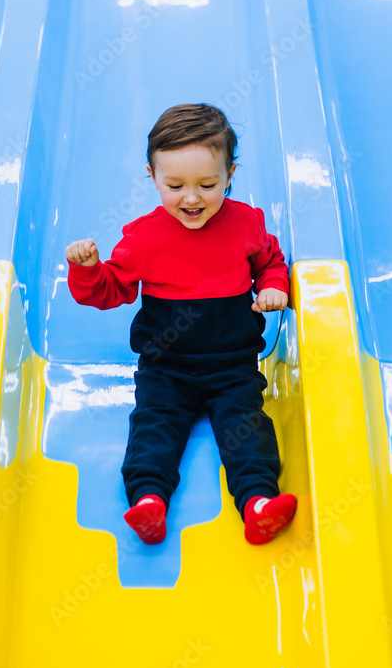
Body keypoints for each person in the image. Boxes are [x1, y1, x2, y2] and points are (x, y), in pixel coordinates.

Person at [66, 103, 297, 546]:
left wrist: (273, 287)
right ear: (152, 176)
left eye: (207, 185)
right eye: (175, 185)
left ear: (230, 174)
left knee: (247, 426)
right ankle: (149, 499)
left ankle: (258, 502)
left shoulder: (246, 223)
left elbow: (270, 260)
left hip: (232, 366)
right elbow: (109, 290)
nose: (191, 199)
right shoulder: (143, 237)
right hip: (166, 367)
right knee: (153, 426)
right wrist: (91, 268)